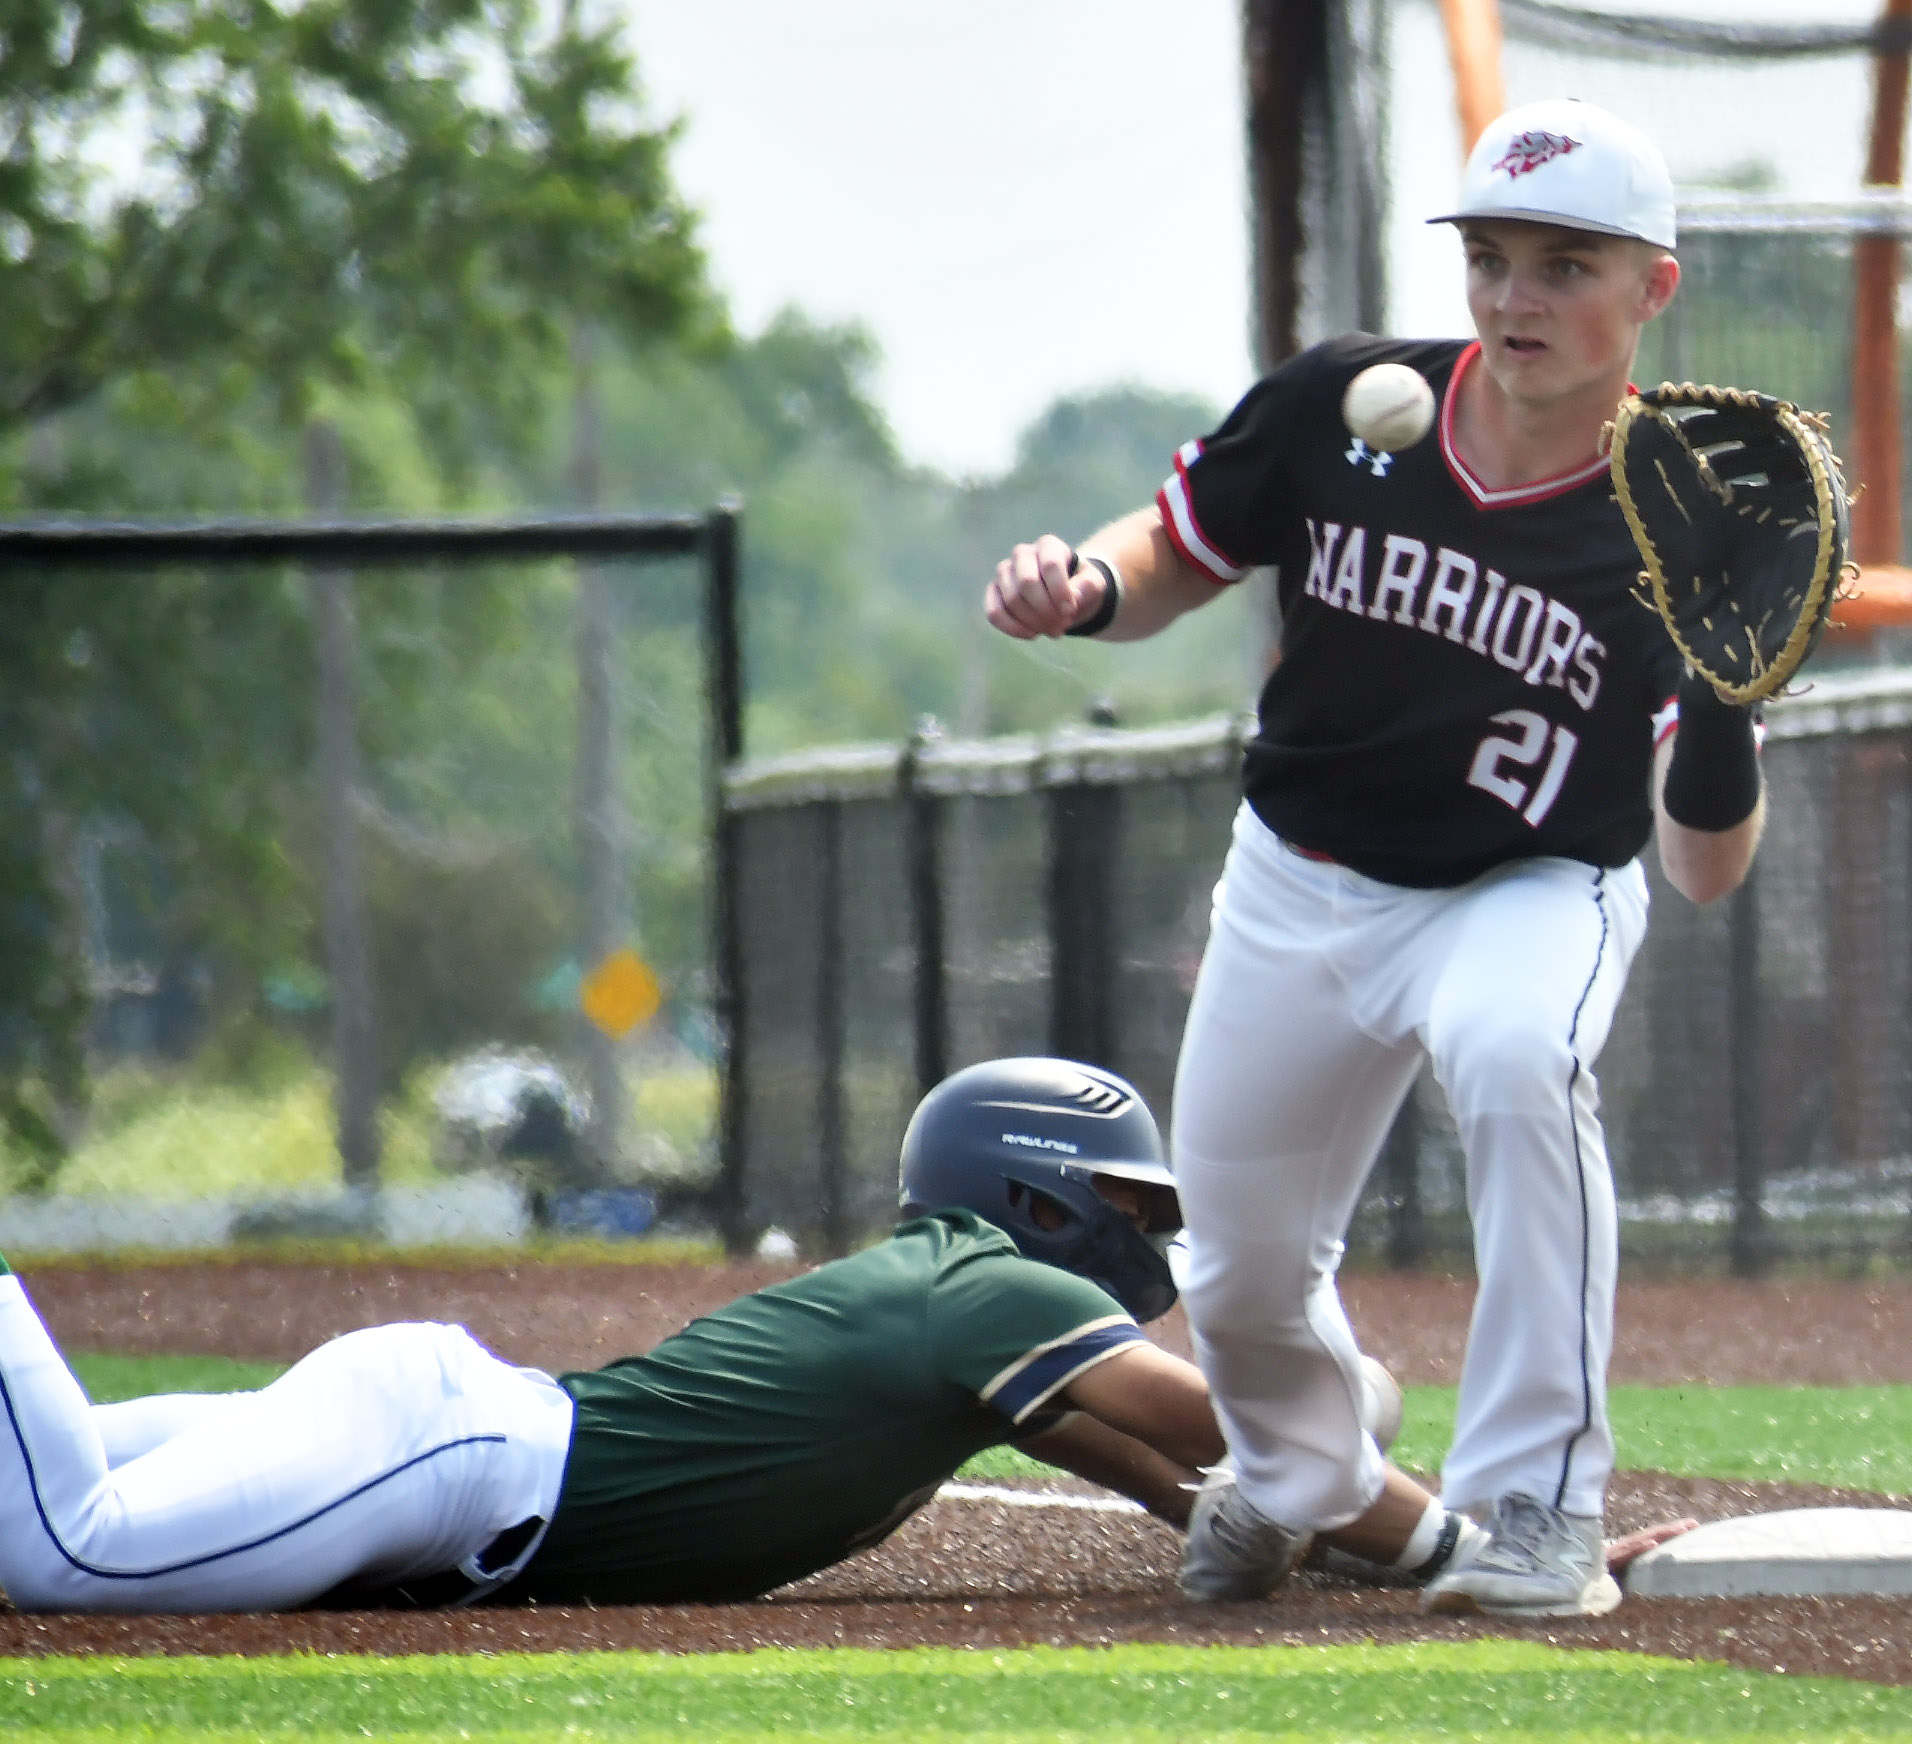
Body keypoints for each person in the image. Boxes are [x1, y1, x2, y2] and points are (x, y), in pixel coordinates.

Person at [984, 100, 1760, 1618]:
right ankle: (1294, 1471)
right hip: (1301, 877)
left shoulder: (1681, 521)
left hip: (1529, 888)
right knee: (1240, 1270)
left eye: (1565, 265)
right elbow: (1176, 550)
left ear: (1653, 288)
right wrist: (1085, 584)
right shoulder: (1347, 401)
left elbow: (1707, 866)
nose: (1516, 296)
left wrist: (1728, 695)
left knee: (1519, 1056)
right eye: (1491, 257)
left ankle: (1537, 1507)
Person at [0, 1058, 1479, 1615]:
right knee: (72, 1554)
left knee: (39, 1501)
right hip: (451, 1465)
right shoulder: (998, 1290)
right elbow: (1254, 1434)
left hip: (442, 1440)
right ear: (1037, 1196)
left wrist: (1295, 1519)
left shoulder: (972, 1317)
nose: (1148, 1233)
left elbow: (1203, 1492)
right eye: (1129, 1200)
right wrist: (1457, 1548)